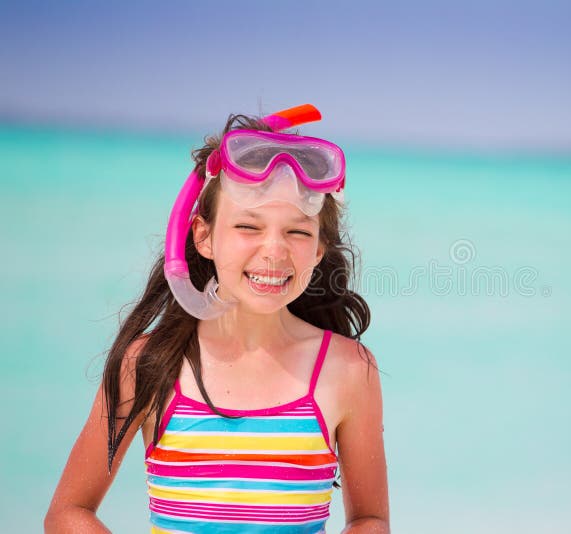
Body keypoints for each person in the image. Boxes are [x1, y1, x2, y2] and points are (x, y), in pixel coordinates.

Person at [45, 104, 389, 533]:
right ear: (203, 236)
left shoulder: (349, 370)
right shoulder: (150, 364)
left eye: (298, 231)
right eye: (248, 227)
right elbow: (68, 512)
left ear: (319, 250)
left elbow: (369, 520)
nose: (274, 251)